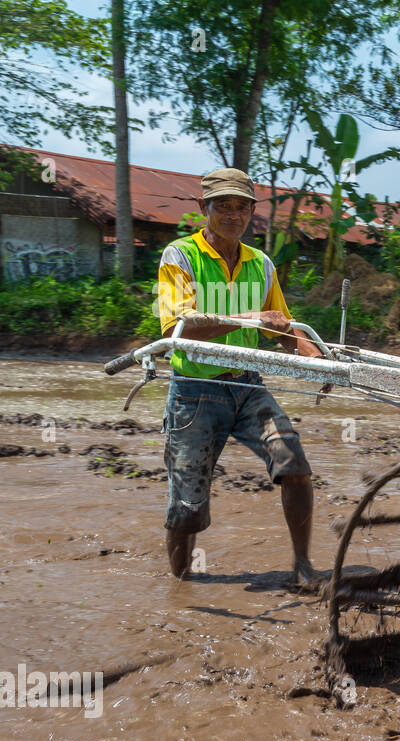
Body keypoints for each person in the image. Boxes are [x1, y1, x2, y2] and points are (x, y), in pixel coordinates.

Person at [156, 167, 327, 591]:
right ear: (204, 208)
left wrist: (313, 353)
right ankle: (181, 585)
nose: (233, 215)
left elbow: (278, 326)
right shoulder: (180, 256)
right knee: (189, 504)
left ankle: (303, 567)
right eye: (223, 206)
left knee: (294, 463)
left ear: (252, 212)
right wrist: (248, 318)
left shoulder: (260, 263)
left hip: (248, 386)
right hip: (195, 392)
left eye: (241, 207)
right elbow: (178, 328)